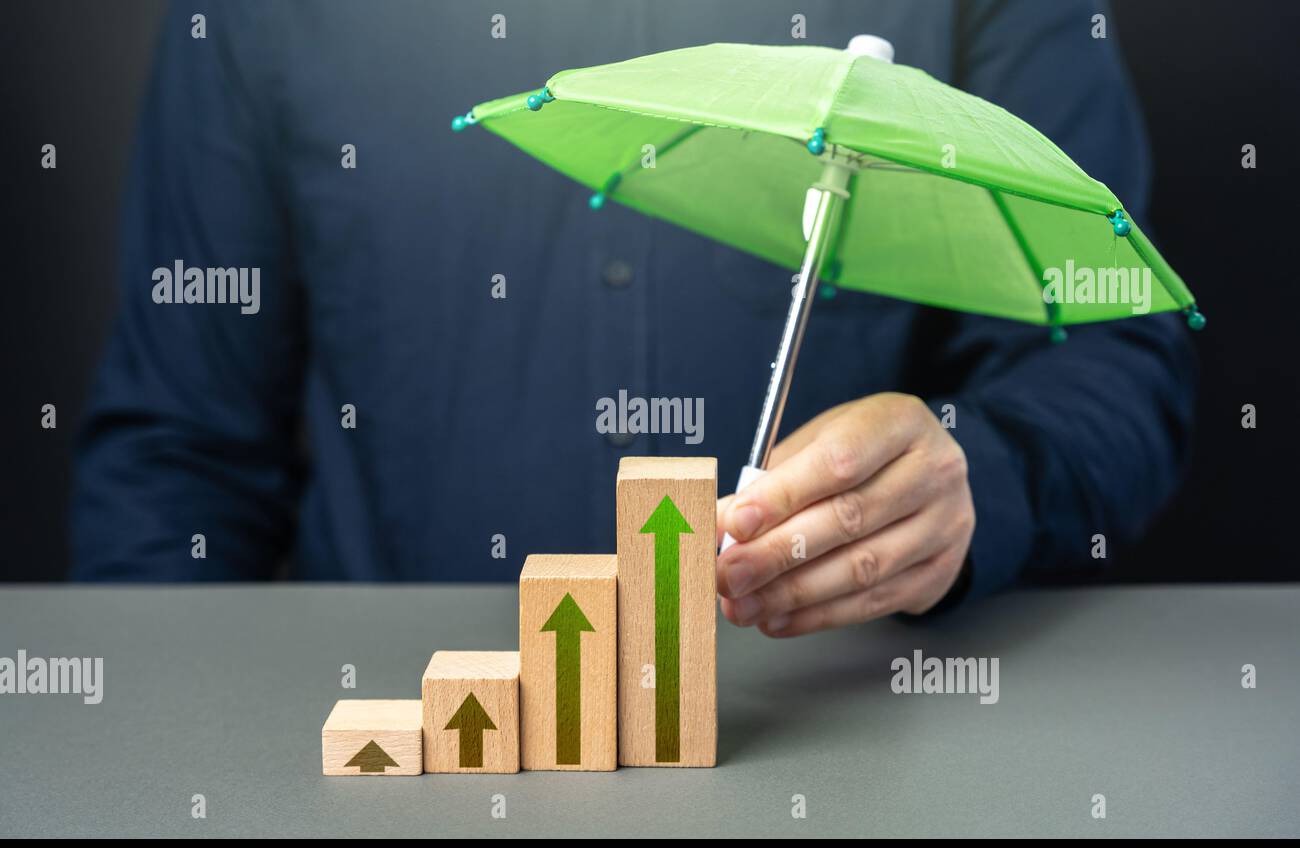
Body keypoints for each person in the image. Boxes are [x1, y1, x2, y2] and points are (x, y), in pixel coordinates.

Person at [72, 0, 1194, 639]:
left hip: (843, 722)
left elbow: (1112, 349)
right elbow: (175, 455)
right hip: (404, 743)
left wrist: (972, 479)